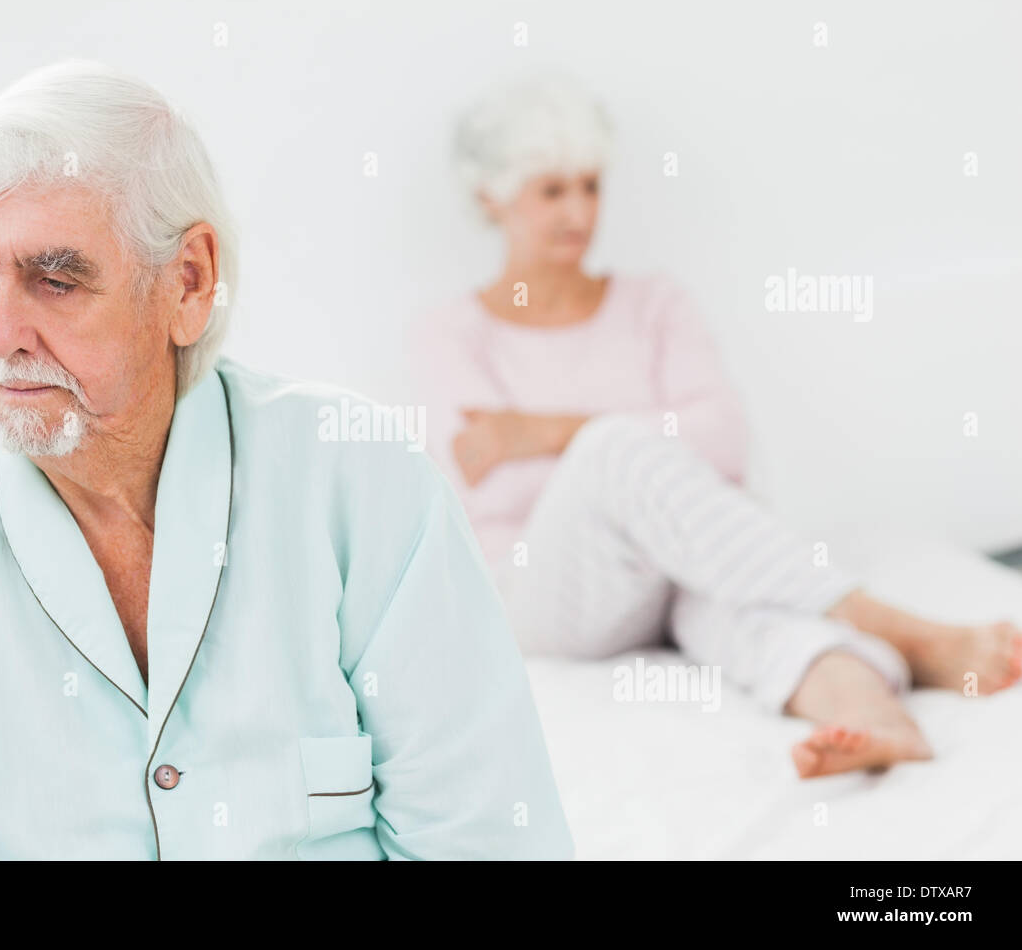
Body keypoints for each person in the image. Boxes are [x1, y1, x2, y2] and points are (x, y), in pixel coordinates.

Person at [0, 60, 574, 859]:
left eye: (56, 280)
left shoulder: (360, 478)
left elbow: (487, 838)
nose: (0, 334)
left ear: (189, 282)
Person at [409, 73, 1022, 779]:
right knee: (618, 455)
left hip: (673, 570)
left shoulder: (653, 304)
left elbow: (725, 440)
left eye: (591, 185)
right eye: (552, 191)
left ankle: (878, 718)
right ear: (492, 197)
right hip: (546, 598)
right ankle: (901, 628)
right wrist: (622, 456)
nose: (579, 210)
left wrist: (539, 430)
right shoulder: (451, 335)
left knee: (753, 605)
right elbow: (492, 489)